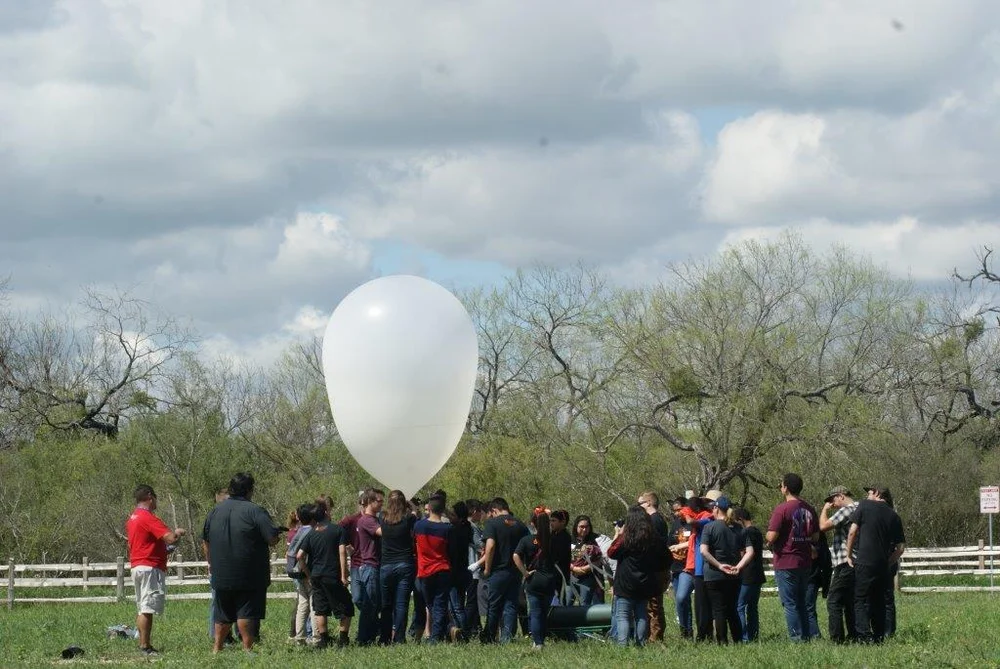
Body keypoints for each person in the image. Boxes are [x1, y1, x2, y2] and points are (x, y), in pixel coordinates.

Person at [202, 473, 281, 653]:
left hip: (221, 571)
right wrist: (276, 533)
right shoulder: (255, 511)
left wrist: (211, 563)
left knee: (222, 613)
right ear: (249, 490)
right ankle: (247, 649)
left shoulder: (214, 511)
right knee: (246, 611)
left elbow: (205, 540)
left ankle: (217, 648)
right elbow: (271, 539)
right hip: (249, 572)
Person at [125, 485, 186, 656]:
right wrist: (178, 533)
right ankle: (145, 646)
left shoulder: (133, 518)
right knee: (147, 608)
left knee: (142, 607)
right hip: (150, 568)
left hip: (138, 565)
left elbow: (151, 545)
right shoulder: (148, 517)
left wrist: (167, 548)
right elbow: (170, 538)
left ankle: (143, 644)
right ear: (150, 497)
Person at [846, 486, 906, 644]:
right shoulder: (894, 515)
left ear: (877, 494)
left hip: (864, 561)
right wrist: (888, 562)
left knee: (860, 599)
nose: (867, 495)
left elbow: (852, 531)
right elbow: (900, 548)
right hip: (882, 564)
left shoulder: (864, 506)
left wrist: (848, 555)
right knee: (879, 600)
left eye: (870, 493)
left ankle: (864, 636)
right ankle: (879, 636)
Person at [766, 473, 819, 642]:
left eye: (781, 485)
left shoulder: (782, 509)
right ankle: (806, 636)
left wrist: (768, 538)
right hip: (804, 561)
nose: (781, 488)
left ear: (786, 488)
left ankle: (797, 638)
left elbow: (771, 536)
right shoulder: (809, 508)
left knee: (790, 603)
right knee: (802, 601)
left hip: (786, 560)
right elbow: (816, 536)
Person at [606, 506, 668, 646]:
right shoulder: (653, 538)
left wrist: (619, 534)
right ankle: (641, 643)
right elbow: (666, 558)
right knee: (641, 615)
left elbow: (611, 553)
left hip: (625, 582)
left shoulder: (626, 538)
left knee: (623, 616)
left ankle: (622, 644)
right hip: (645, 581)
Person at [297, 501, 353, 649]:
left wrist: (309, 575)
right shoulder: (338, 530)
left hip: (316, 576)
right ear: (326, 513)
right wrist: (343, 575)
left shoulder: (311, 534)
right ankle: (343, 640)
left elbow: (299, 556)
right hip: (332, 574)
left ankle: (323, 640)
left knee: (320, 609)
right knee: (346, 607)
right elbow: (342, 552)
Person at [699, 496, 748, 644]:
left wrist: (719, 565)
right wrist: (738, 566)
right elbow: (748, 551)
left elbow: (703, 551)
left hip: (714, 574)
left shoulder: (709, 527)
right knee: (732, 608)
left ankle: (722, 641)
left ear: (716, 508)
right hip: (734, 573)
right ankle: (738, 640)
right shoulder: (739, 528)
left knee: (718, 609)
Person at [481, 497, 529, 644]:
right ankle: (507, 638)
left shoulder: (492, 523)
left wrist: (487, 569)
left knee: (494, 605)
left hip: (498, 571)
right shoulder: (520, 525)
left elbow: (490, 546)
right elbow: (529, 545)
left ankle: (489, 637)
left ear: (494, 510)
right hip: (515, 572)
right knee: (511, 605)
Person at [514, 512, 560, 649]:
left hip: (534, 579)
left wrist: (525, 572)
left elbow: (516, 556)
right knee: (544, 612)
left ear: (533, 524)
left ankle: (537, 642)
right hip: (549, 579)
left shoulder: (527, 540)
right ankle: (542, 638)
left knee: (535, 612)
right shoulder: (554, 540)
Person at [413, 494, 453, 643]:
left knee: (430, 604)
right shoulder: (447, 529)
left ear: (429, 508)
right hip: (442, 569)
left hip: (425, 571)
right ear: (443, 510)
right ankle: (440, 634)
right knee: (440, 604)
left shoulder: (419, 526)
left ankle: (439, 635)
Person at [378, 490, 416, 644]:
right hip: (405, 564)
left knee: (386, 604)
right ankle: (399, 638)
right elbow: (416, 513)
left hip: (386, 565)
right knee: (401, 604)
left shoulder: (382, 517)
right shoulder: (408, 518)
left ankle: (384, 637)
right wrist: (411, 504)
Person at [637, 491, 672, 642]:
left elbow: (653, 546)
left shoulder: (655, 520)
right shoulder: (654, 520)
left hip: (656, 569)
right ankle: (650, 636)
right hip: (654, 568)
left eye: (640, 504)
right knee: (650, 605)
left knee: (654, 605)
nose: (639, 507)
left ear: (649, 503)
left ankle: (656, 639)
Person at [353, 488, 384, 646]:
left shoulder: (374, 519)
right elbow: (384, 533)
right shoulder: (367, 520)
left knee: (374, 604)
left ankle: (369, 635)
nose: (382, 504)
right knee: (369, 604)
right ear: (370, 502)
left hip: (373, 566)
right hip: (370, 566)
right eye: (379, 501)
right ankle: (363, 638)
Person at [732, 507, 764, 642]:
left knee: (740, 606)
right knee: (752, 607)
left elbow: (743, 554)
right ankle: (754, 635)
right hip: (758, 573)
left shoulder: (745, 533)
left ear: (740, 519)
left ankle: (743, 637)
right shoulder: (757, 531)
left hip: (746, 573)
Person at [287, 504, 316, 644]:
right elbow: (301, 556)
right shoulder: (311, 532)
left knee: (302, 605)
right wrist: (309, 575)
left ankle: (299, 637)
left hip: (297, 572)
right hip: (306, 572)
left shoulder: (299, 531)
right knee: (314, 604)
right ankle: (316, 637)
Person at [447, 501, 473, 638]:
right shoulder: (466, 528)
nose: (450, 517)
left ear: (459, 517)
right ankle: (458, 632)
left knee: (457, 607)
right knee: (456, 606)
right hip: (462, 572)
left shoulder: (455, 531)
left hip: (455, 573)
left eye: (452, 515)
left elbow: (453, 554)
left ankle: (464, 634)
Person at [569, 515, 606, 605]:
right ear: (576, 527)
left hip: (588, 578)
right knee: (566, 602)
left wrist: (585, 568)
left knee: (584, 604)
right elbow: (562, 559)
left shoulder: (595, 541)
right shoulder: (569, 540)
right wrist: (574, 568)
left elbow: (600, 560)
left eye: (587, 527)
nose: (584, 529)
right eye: (581, 527)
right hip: (571, 577)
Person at [549, 510, 573, 604]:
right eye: (550, 521)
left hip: (561, 575)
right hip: (552, 575)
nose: (551, 523)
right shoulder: (552, 536)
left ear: (562, 522)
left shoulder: (565, 537)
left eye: (554, 520)